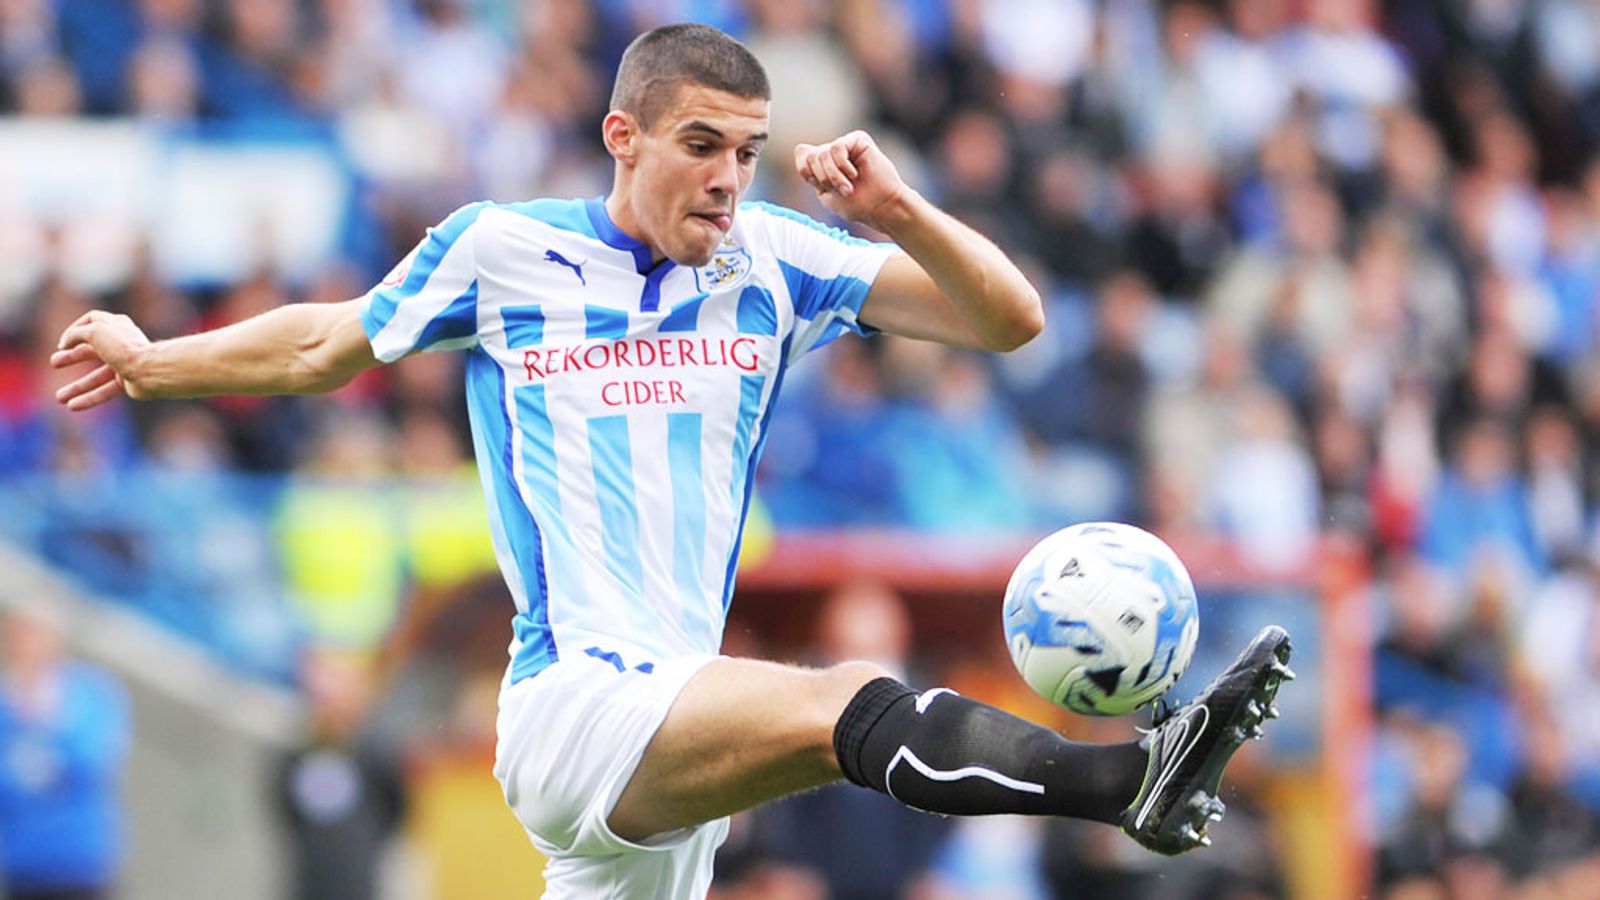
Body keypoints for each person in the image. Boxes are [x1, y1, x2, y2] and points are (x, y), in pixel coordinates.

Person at [50, 23, 1294, 899]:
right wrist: (159, 362)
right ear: (622, 135)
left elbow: (1009, 319)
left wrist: (901, 211)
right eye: (702, 144)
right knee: (836, 699)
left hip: (672, 720)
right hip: (573, 705)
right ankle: (1125, 779)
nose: (728, 178)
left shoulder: (775, 259)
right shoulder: (501, 249)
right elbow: (328, 341)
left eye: (747, 151)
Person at [0, 607, 130, 900]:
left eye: (34, 635)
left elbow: (93, 764)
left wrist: (46, 724)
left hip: (81, 862)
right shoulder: (5, 705)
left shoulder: (91, 696)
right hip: (23, 862)